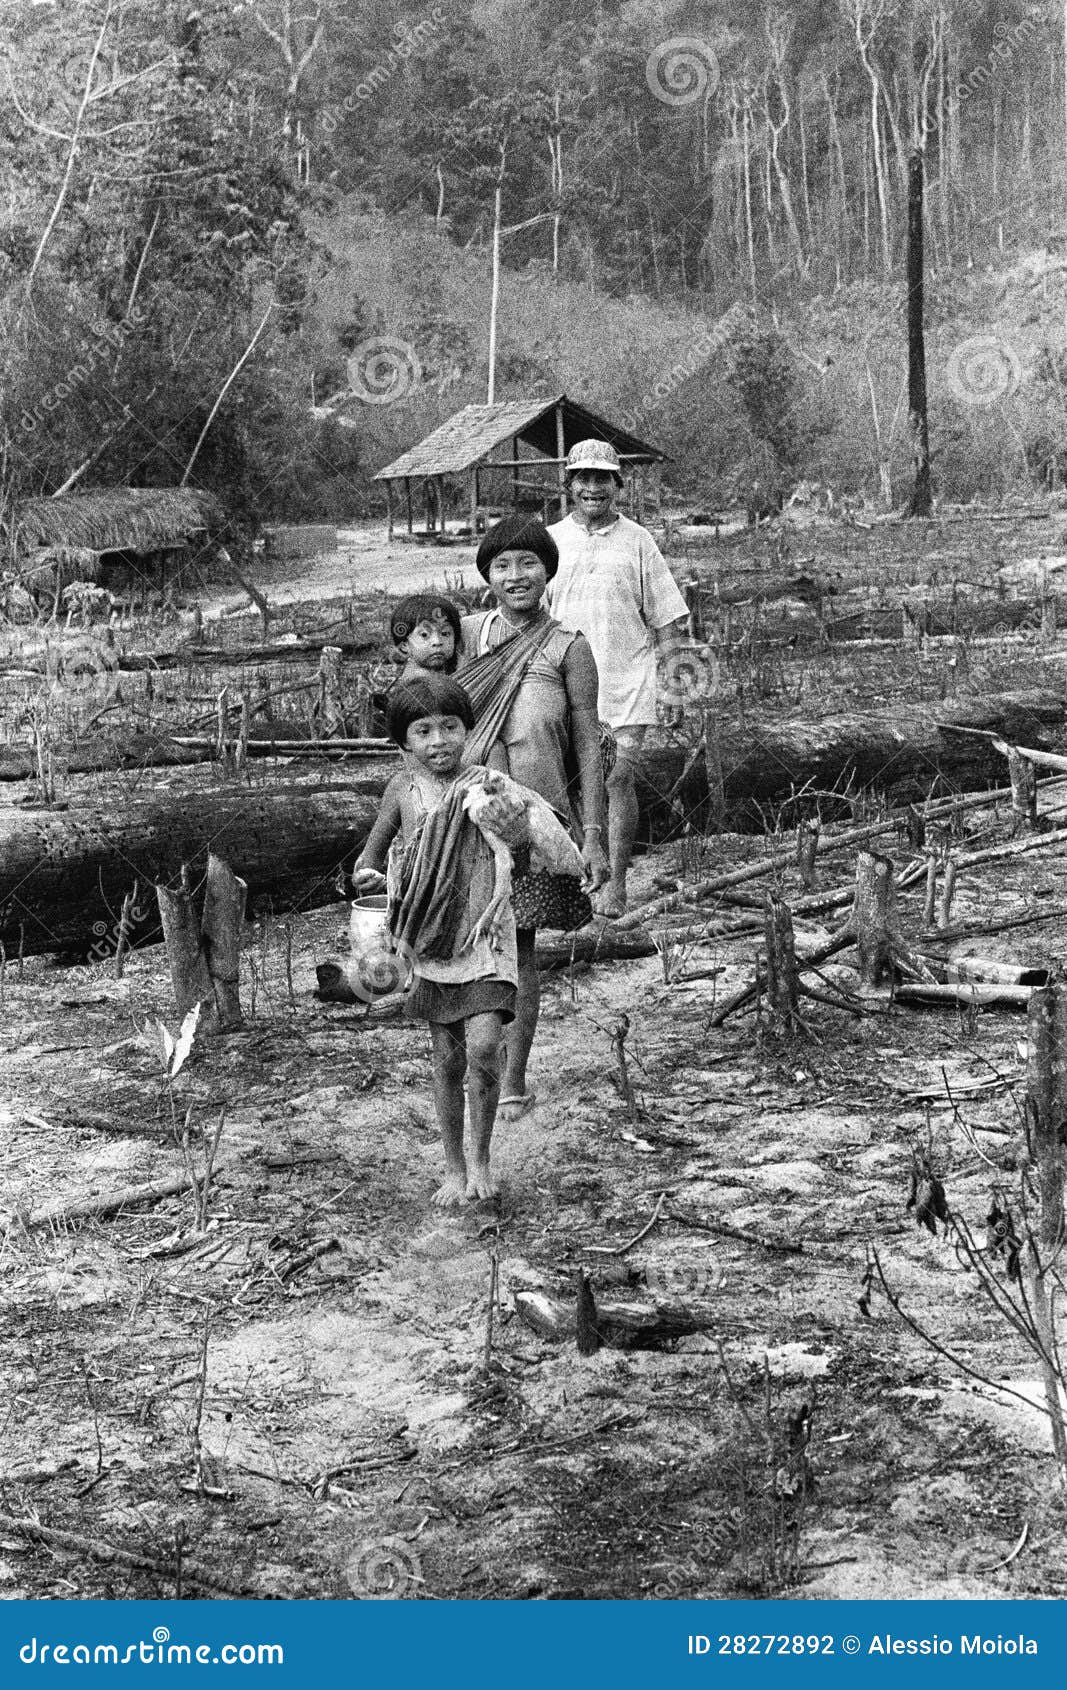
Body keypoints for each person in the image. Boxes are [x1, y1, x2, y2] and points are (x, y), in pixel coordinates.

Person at [459, 514, 609, 1122]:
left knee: (517, 951)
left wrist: (593, 835)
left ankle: (512, 1075)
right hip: (464, 820)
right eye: (502, 565)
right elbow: (418, 709)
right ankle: (467, 1065)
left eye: (528, 563)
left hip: (534, 824)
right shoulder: (465, 638)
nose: (516, 576)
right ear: (487, 575)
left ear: (548, 569)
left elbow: (590, 745)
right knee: (464, 944)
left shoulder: (567, 647)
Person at [350, 674, 521, 1207]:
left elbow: (518, 842)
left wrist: (507, 823)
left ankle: (481, 1158)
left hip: (486, 932)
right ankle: (452, 1165)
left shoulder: (488, 782)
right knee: (447, 1059)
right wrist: (370, 879)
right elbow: (368, 858)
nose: (438, 741)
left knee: (485, 1044)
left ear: (469, 730)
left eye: (450, 727)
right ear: (404, 743)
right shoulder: (403, 791)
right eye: (422, 731)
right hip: (431, 939)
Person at [547, 439, 689, 918]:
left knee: (615, 778)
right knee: (567, 784)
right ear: (568, 485)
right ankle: (579, 880)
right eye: (583, 478)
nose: (593, 488)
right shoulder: (549, 542)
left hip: (626, 678)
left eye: (602, 478)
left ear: (617, 485)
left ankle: (617, 885)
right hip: (563, 682)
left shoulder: (639, 542)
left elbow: (667, 622)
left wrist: (672, 685)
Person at [389, 593, 462, 677]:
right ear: (404, 645)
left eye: (445, 633)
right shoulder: (418, 685)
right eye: (424, 635)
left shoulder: (456, 672)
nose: (437, 642)